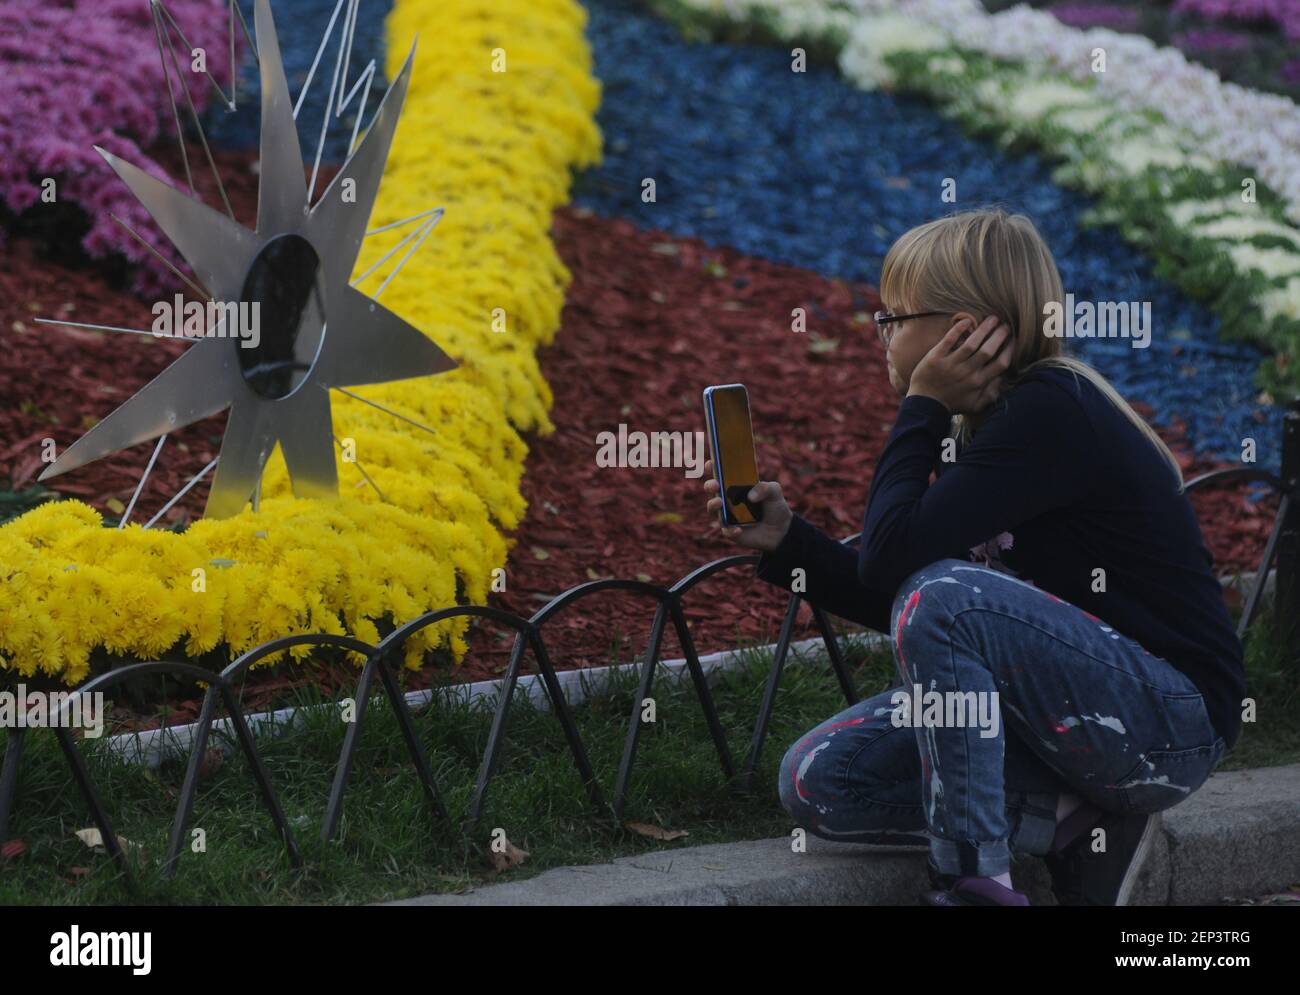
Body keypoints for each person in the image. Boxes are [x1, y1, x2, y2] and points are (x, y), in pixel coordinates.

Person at [700, 208, 1246, 906]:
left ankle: (973, 879)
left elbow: (921, 581)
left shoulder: (1053, 409)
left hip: (1169, 725)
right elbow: (896, 586)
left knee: (945, 596)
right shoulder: (983, 429)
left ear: (968, 328)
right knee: (821, 777)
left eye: (896, 316)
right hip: (1070, 725)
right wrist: (788, 541)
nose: (883, 335)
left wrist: (922, 403)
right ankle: (1076, 825)